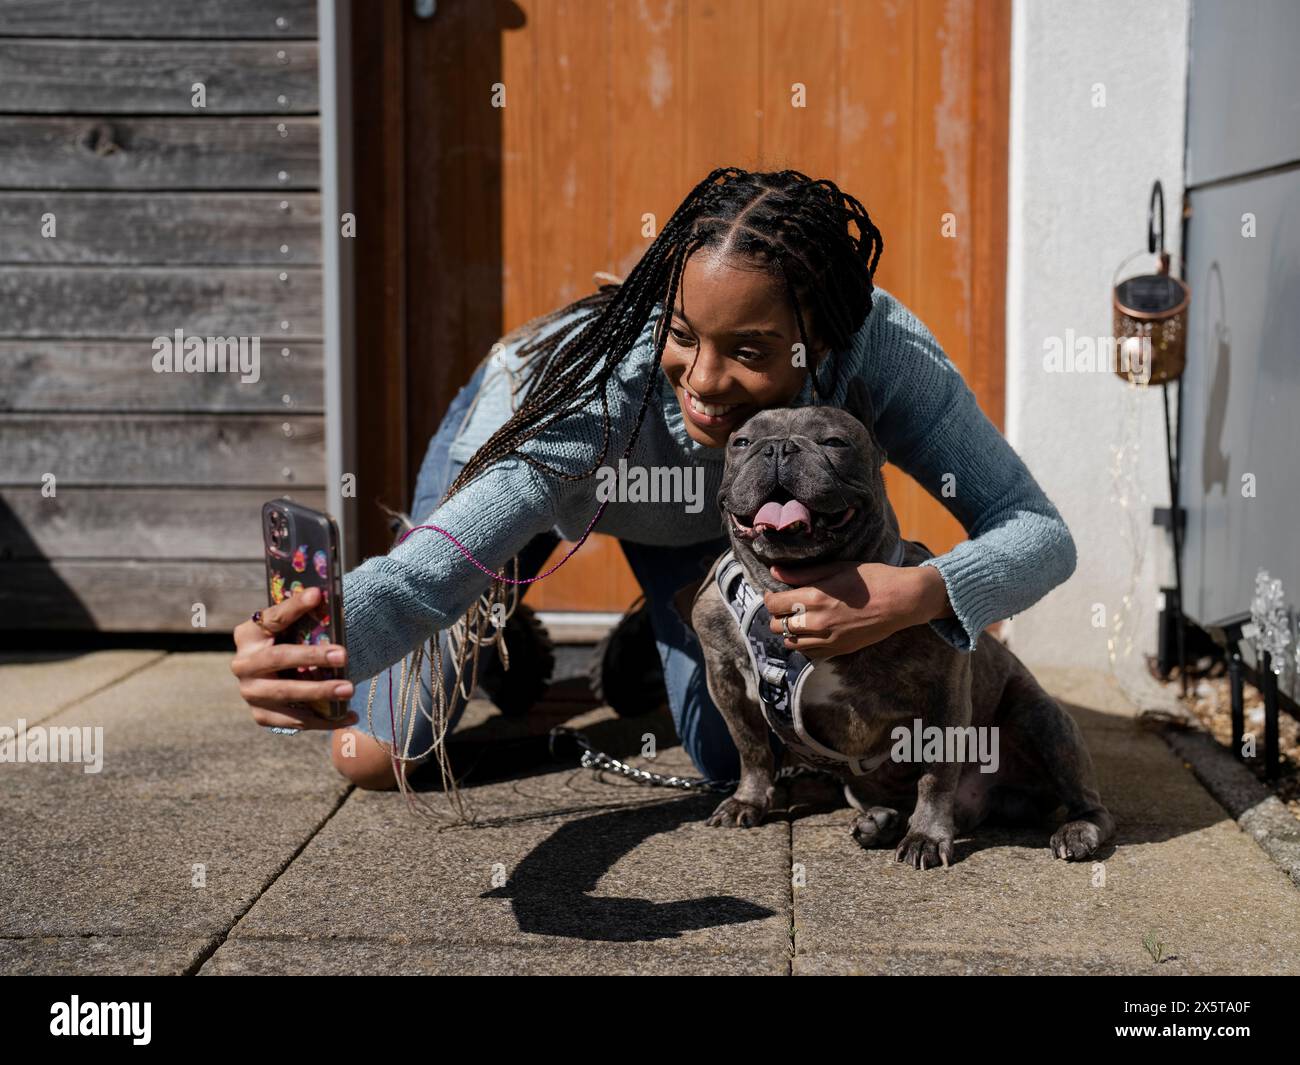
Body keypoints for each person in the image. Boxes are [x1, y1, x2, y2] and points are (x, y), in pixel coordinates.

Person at [230, 166, 1076, 791]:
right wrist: (331, 632)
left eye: (747, 350)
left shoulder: (883, 354)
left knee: (727, 758)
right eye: (683, 334)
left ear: (818, 345)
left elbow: (1038, 530)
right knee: (374, 758)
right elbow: (429, 570)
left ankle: (657, 616)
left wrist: (920, 591)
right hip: (522, 483)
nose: (703, 380)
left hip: (711, 526)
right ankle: (501, 605)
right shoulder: (591, 388)